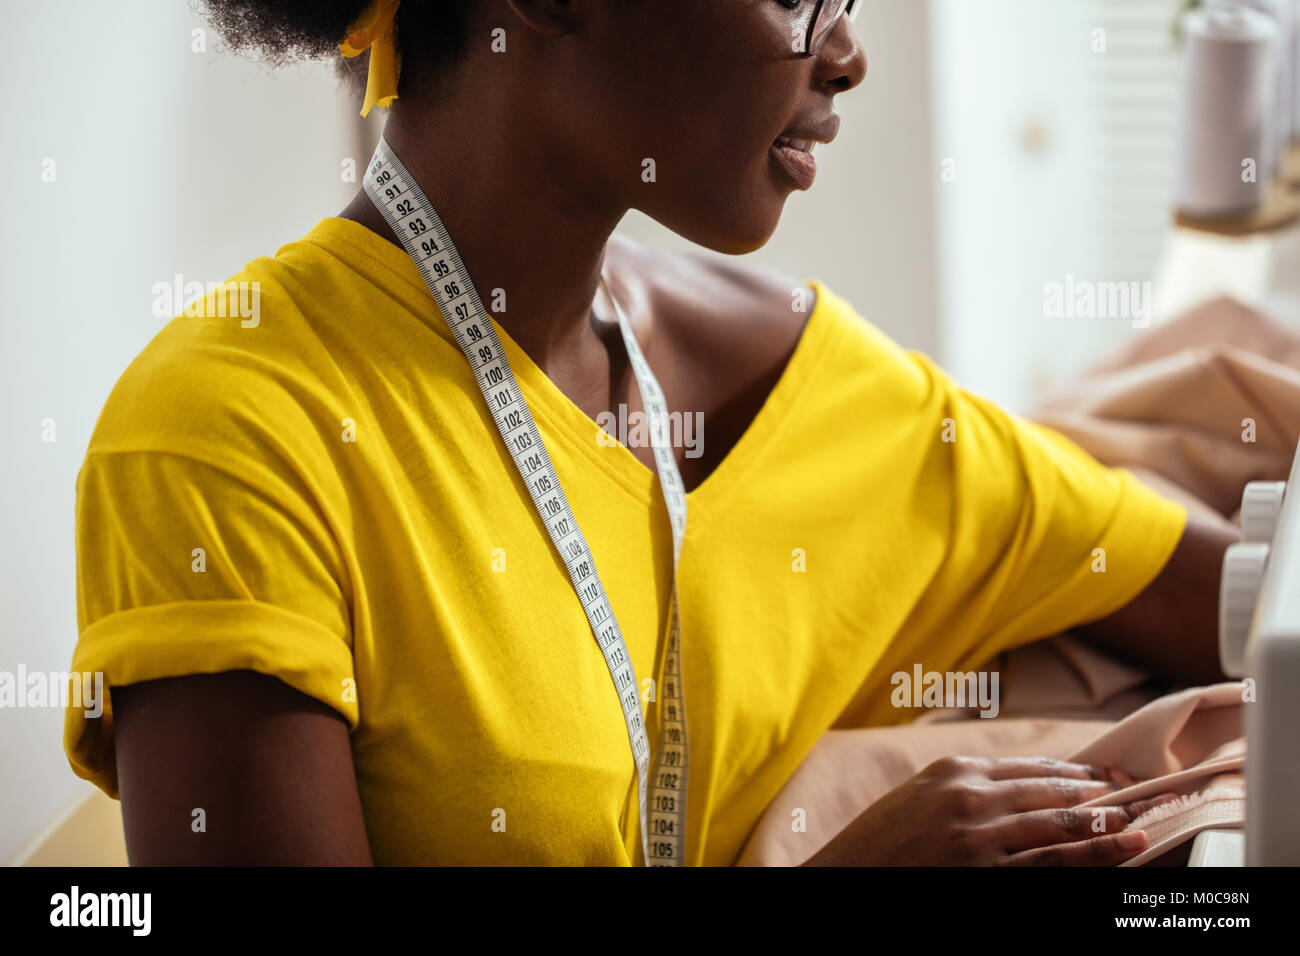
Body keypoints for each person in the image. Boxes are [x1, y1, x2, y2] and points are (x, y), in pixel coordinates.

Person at [64, 0, 1238, 866]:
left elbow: (1224, 595)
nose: (847, 51)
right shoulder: (227, 437)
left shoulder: (792, 376)